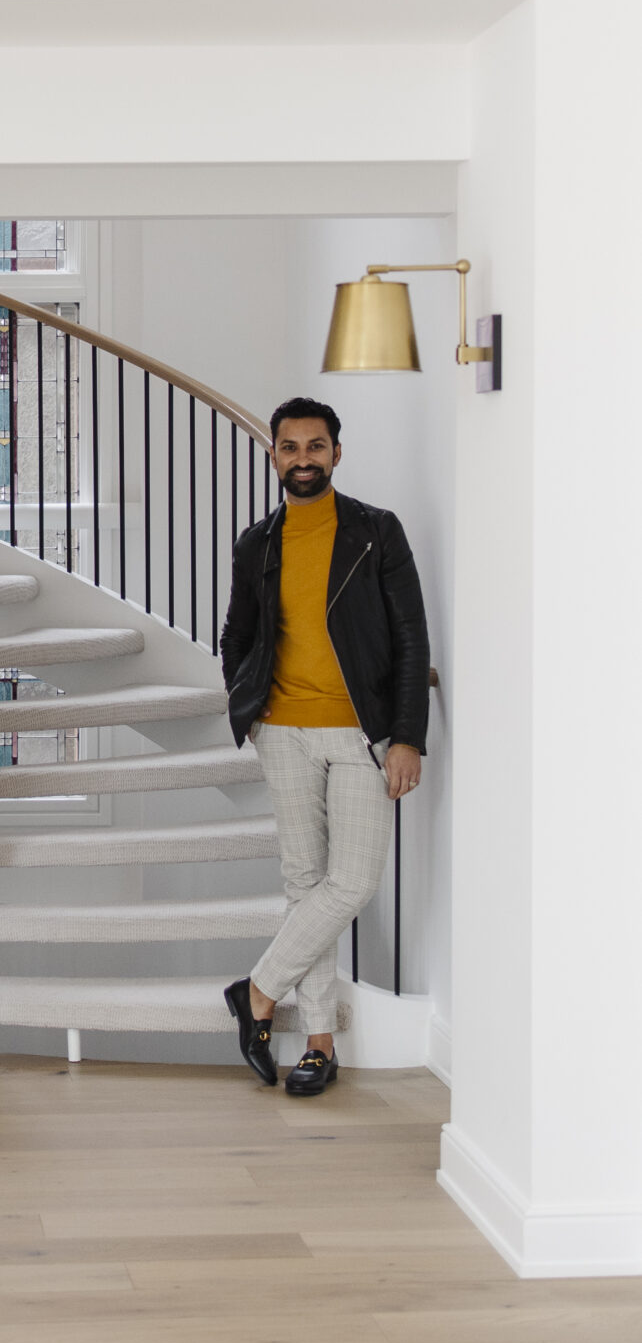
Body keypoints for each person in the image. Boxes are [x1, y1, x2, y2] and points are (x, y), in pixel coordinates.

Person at [218, 399, 430, 1097]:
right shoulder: (258, 543)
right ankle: (317, 1046)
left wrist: (407, 737)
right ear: (273, 455)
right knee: (305, 884)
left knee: (354, 880)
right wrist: (248, 708)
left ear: (337, 453)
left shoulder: (374, 532)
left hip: (359, 733)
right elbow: (238, 637)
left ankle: (257, 991)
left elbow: (409, 640)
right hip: (282, 731)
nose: (302, 458)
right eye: (289, 447)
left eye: (315, 446)